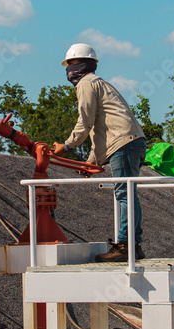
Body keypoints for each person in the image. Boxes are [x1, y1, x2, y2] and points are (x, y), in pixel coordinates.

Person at [51, 43, 147, 262]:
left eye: (71, 64)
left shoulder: (85, 84)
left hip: (123, 144)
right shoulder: (100, 83)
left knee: (124, 193)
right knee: (127, 193)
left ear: (82, 65)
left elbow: (84, 122)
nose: (69, 70)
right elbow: (100, 127)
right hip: (131, 142)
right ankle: (133, 245)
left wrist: (66, 147)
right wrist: (91, 161)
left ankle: (125, 247)